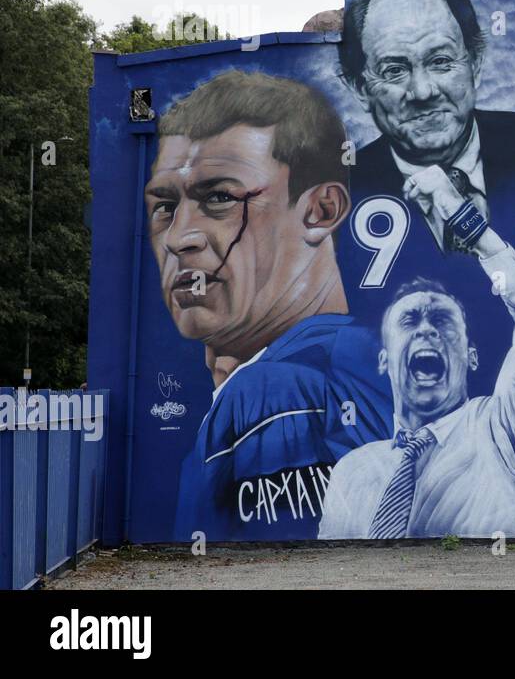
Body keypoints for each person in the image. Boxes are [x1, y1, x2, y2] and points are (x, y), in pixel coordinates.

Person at [145, 70, 392, 541]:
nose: (179, 238)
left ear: (320, 210)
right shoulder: (361, 363)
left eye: (220, 197)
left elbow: (282, 565)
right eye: (164, 206)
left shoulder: (272, 392)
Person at [318, 166, 515, 539]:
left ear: (471, 357)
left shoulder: (502, 425)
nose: (426, 329)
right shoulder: (352, 471)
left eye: (441, 319)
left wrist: (457, 210)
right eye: (409, 320)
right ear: (385, 361)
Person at [338, 0, 515, 253]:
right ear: (360, 88)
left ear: (475, 65)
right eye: (394, 70)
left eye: (440, 61)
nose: (423, 92)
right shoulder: (343, 189)